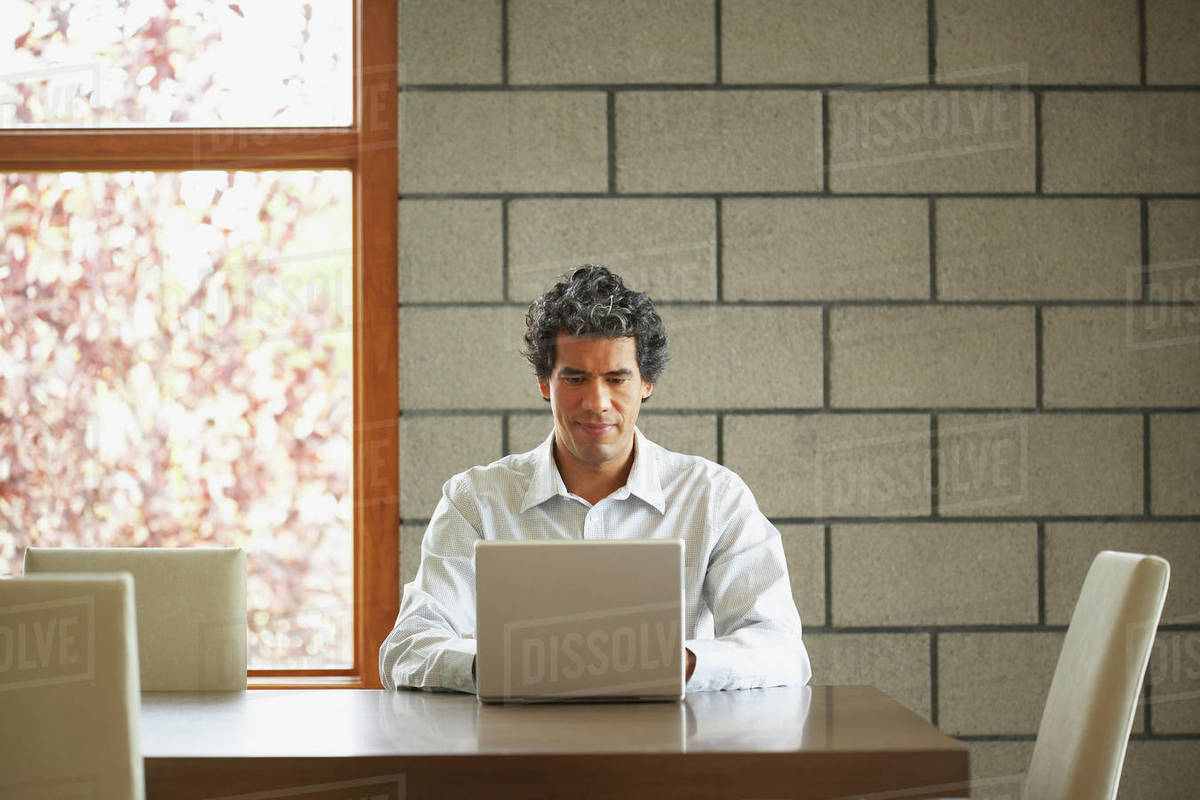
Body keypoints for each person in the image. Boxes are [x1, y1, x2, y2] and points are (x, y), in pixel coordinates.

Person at [379, 265, 811, 692]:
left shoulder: (715, 497)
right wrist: (505, 662)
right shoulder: (475, 501)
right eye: (575, 379)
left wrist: (677, 662)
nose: (597, 402)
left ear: (646, 383)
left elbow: (782, 649)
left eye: (617, 379)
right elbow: (407, 648)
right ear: (544, 382)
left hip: (671, 737)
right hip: (516, 737)